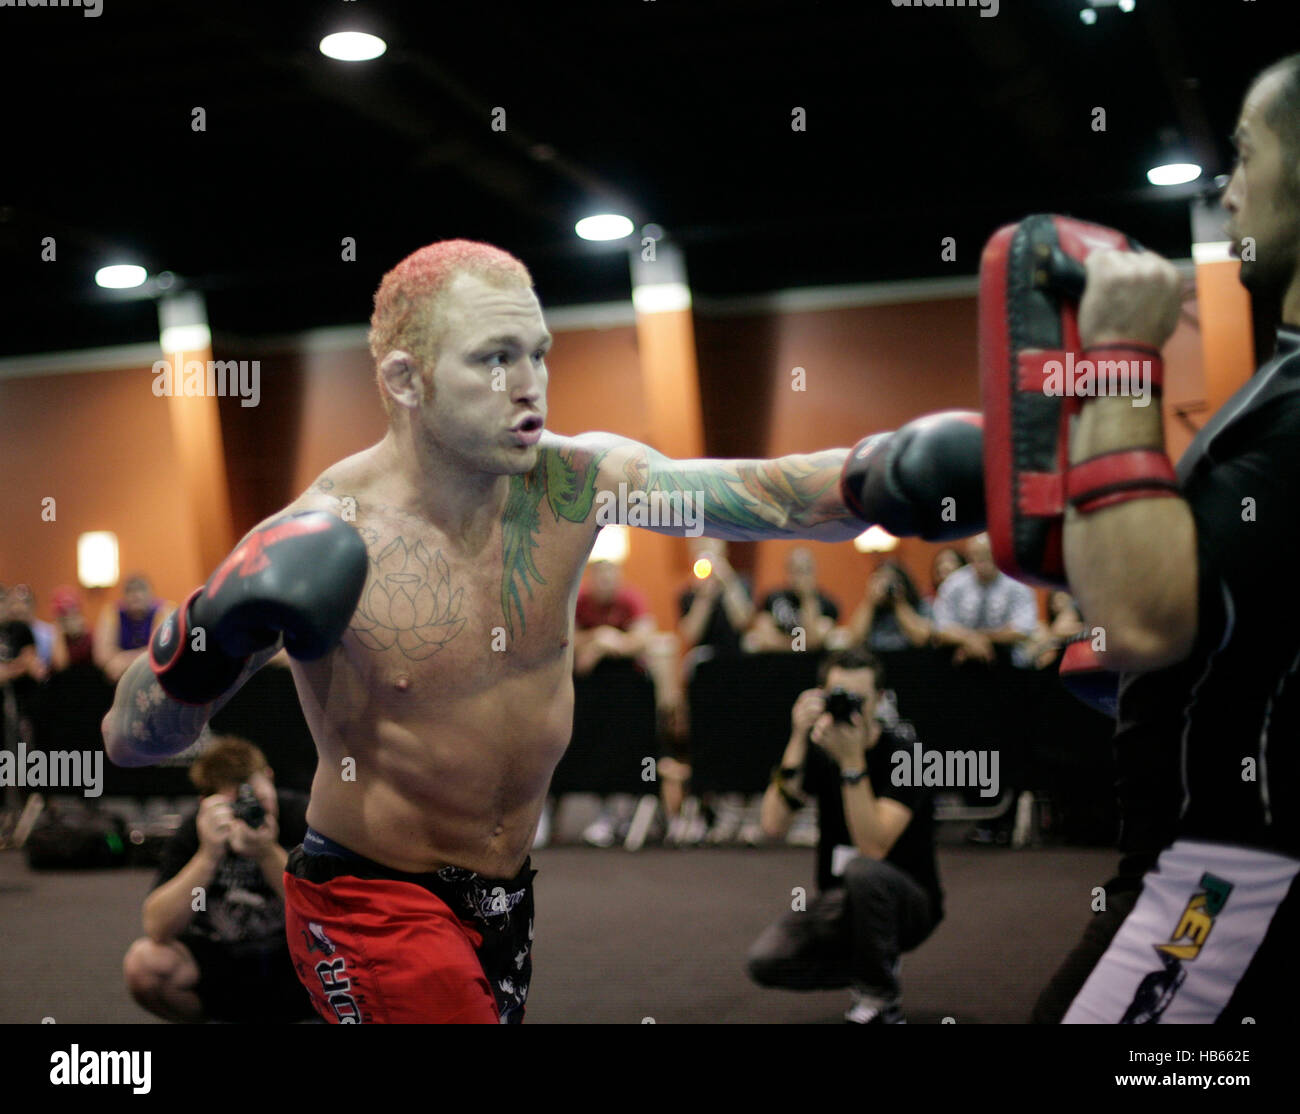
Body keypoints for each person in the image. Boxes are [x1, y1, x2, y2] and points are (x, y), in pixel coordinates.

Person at [102, 238, 983, 1023]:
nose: (529, 386)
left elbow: (768, 493)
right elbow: (132, 737)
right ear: (405, 380)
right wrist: (204, 637)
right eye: (493, 359)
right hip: (369, 901)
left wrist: (891, 477)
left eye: (537, 355)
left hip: (505, 901)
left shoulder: (577, 484)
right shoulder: (329, 535)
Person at [1031, 54, 1300, 1023]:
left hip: (1227, 872)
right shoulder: (1277, 390)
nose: (1227, 191)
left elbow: (1144, 616)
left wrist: (1114, 360)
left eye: (1243, 154)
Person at [746, 649, 942, 1023]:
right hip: (840, 902)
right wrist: (797, 740)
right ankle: (873, 966)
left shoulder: (909, 755)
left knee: (863, 870)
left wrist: (852, 763)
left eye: (859, 700)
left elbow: (873, 847)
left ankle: (880, 996)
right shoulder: (820, 751)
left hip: (909, 903)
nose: (848, 709)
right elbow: (772, 826)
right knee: (766, 961)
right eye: (838, 698)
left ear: (882, 699)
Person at [122, 736, 313, 1023]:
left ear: (269, 777)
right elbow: (157, 927)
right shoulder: (195, 831)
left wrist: (267, 853)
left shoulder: (302, 816)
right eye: (235, 806)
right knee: (144, 964)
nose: (248, 813)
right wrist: (208, 855)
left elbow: (328, 914)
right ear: (206, 802)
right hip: (225, 962)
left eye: (258, 801)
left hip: (298, 961)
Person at [931, 533, 1039, 667]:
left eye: (988, 555)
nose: (983, 561)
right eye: (977, 556)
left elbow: (1023, 629)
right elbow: (941, 628)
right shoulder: (953, 584)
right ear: (969, 556)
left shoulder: (1018, 584)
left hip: (1006, 657)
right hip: (959, 655)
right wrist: (970, 641)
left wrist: (980, 639)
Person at [747, 547, 841, 652]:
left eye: (805, 570)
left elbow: (816, 639)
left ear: (814, 571)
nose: (800, 576)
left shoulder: (827, 604)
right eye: (795, 570)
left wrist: (807, 597)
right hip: (775, 663)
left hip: (811, 664)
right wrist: (797, 644)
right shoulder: (773, 598)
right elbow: (764, 637)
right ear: (787, 571)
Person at [94, 574, 168, 683]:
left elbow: (163, 651)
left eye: (141, 589)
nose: (136, 595)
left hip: (153, 676)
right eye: (130, 591)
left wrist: (126, 660)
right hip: (119, 677)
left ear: (151, 594)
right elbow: (101, 655)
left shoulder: (163, 612)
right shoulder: (112, 613)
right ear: (123, 596)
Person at [846, 561, 932, 652]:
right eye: (881, 580)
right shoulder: (871, 608)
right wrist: (870, 601)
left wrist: (899, 603)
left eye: (892, 580)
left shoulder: (920, 605)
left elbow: (921, 639)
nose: (886, 586)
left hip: (911, 659)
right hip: (877, 660)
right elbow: (854, 640)